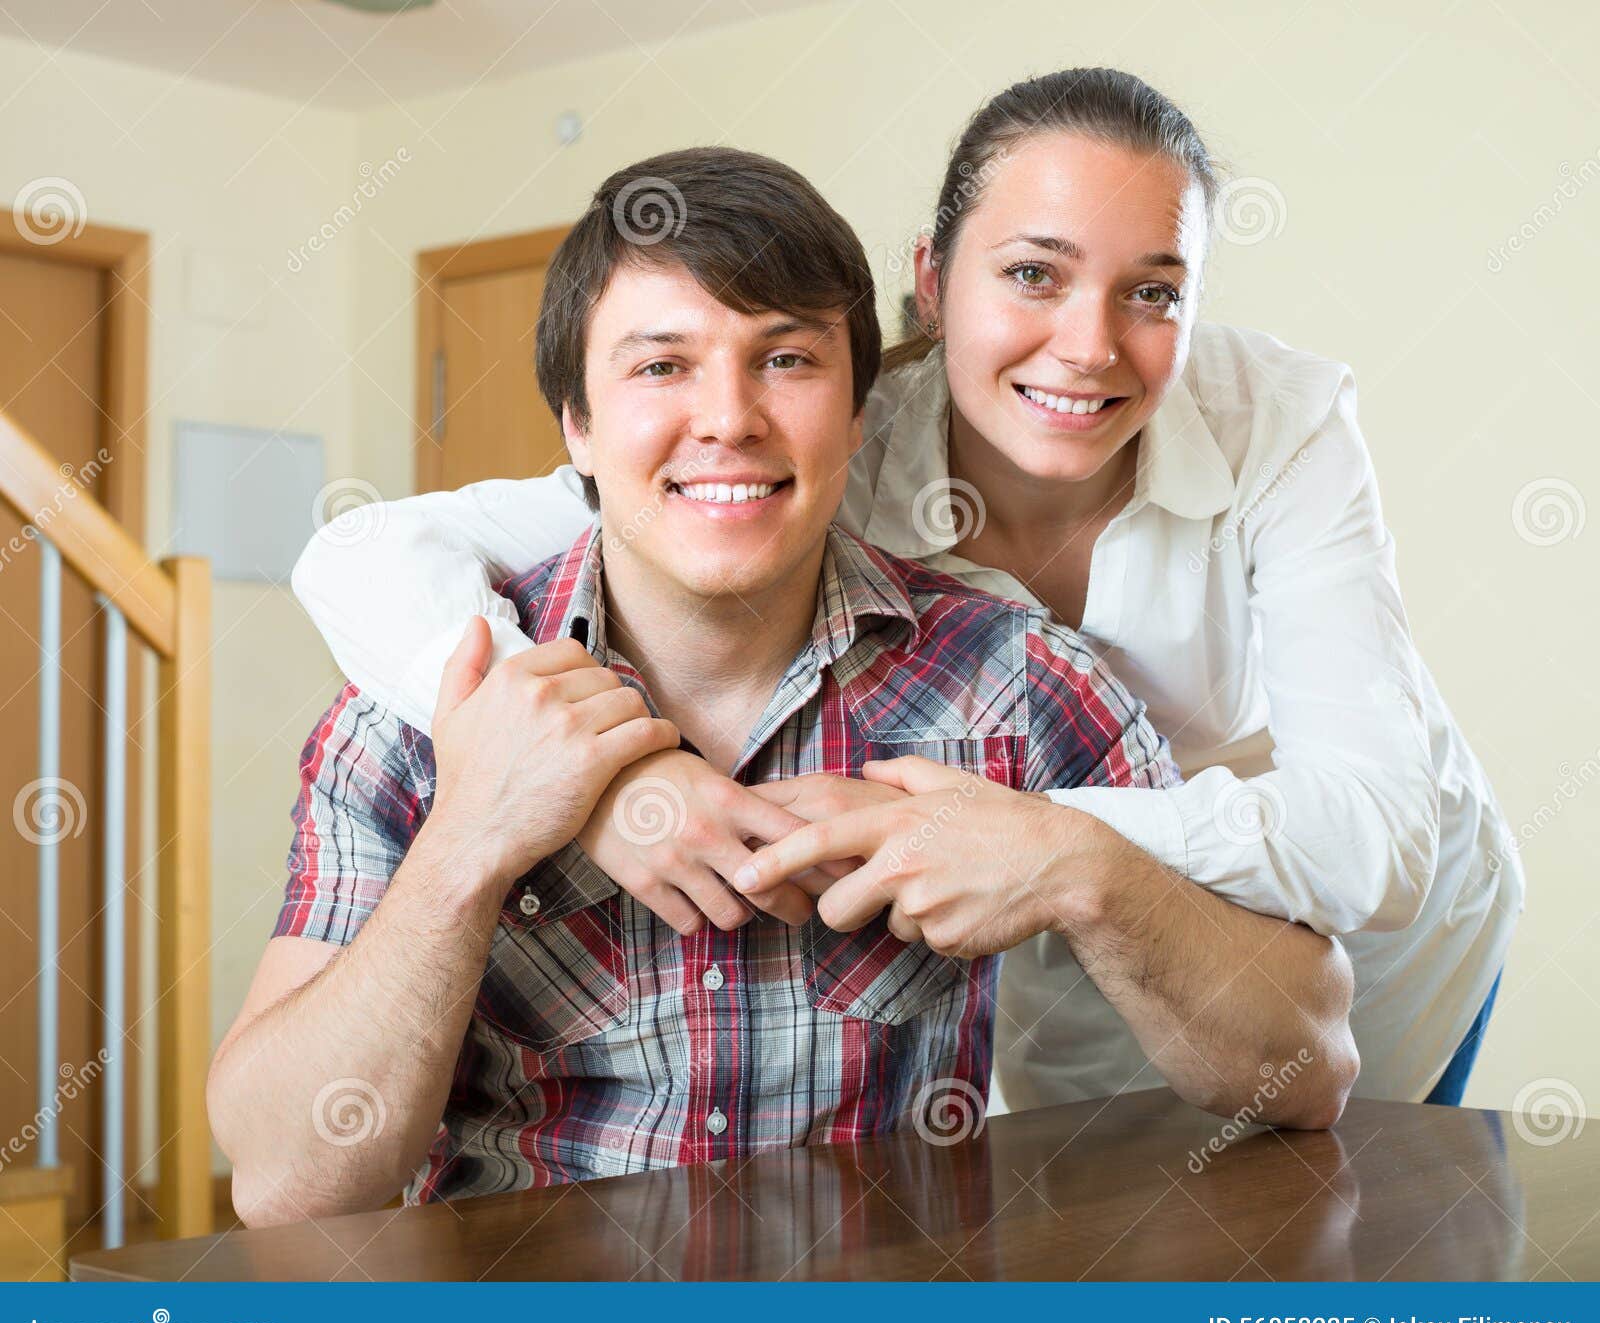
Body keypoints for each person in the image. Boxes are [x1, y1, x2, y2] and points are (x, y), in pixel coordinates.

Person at [297, 68, 1507, 1113]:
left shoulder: (1279, 420)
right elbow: (363, 554)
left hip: (1362, 956)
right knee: (1121, 1218)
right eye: (1031, 273)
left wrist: (1057, 841)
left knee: (1349, 1244)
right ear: (930, 277)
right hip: (1064, 947)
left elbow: (1371, 844)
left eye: (1153, 291)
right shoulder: (812, 443)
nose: (1088, 344)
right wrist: (593, 772)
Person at [212, 145, 1358, 1224]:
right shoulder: (422, 706)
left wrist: (1082, 866)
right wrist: (470, 841)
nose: (728, 420)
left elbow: (1309, 1065)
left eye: (786, 359)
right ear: (578, 426)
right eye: (661, 366)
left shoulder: (1012, 676)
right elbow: (284, 1185)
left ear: (858, 416)